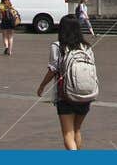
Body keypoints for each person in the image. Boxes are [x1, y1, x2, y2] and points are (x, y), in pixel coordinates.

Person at [36, 14, 95, 150]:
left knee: (68, 134)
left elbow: (53, 69)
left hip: (65, 94)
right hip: (85, 92)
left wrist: (42, 86)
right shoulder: (87, 47)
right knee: (77, 130)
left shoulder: (57, 46)